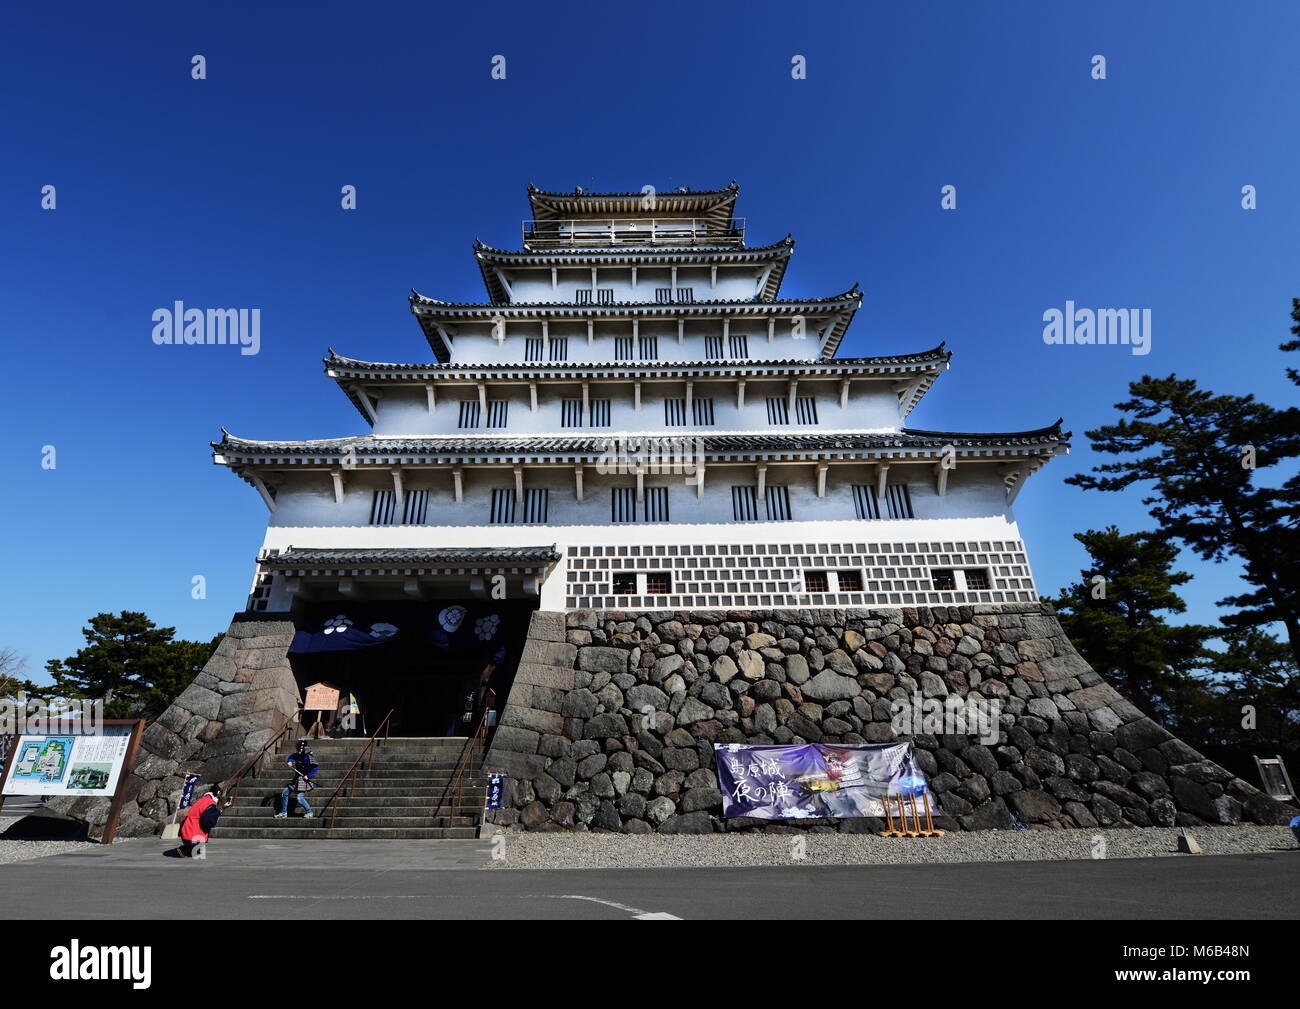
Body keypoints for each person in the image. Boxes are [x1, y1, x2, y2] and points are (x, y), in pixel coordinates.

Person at [174, 784, 232, 858]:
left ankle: (186, 850)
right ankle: (184, 850)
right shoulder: (210, 803)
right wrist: (222, 808)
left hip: (186, 827)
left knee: (197, 846)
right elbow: (208, 819)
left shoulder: (203, 800)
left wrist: (222, 807)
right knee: (199, 844)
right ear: (217, 794)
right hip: (194, 829)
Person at [275, 740, 319, 818]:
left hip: (304, 779)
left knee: (299, 798)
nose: (298, 751)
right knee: (284, 793)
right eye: (297, 749)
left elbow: (315, 767)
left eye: (300, 749)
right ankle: (283, 812)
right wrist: (290, 761)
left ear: (304, 749)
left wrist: (308, 776)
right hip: (297, 777)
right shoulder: (297, 754)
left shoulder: (309, 757)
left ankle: (309, 812)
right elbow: (292, 756)